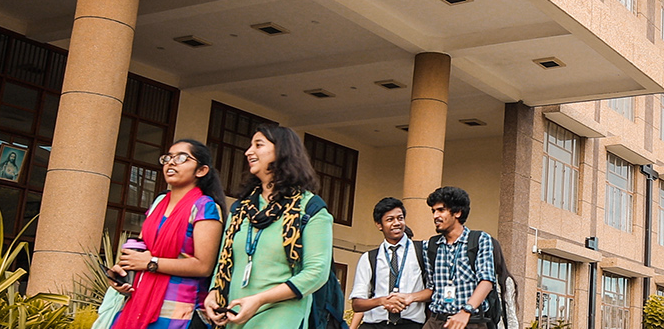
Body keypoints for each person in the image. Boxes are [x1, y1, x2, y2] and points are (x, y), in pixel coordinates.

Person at [202, 125, 334, 328]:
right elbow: (224, 262)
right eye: (249, 146)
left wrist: (259, 300)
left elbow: (316, 273)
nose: (248, 152)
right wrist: (213, 293)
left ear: (282, 151)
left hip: (282, 315)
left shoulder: (310, 208)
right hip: (236, 314)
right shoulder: (241, 209)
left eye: (258, 145)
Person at [107, 139, 227, 329]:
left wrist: (150, 263)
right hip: (138, 302)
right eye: (168, 158)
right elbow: (143, 249)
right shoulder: (158, 203)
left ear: (201, 170)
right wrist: (122, 273)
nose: (171, 163)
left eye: (182, 158)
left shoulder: (205, 207)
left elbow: (203, 266)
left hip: (179, 311)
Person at [349, 198, 431, 329]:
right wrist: (382, 301)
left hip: (410, 325)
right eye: (390, 219)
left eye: (400, 218)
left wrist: (411, 297)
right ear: (379, 225)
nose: (396, 223)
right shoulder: (369, 258)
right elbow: (357, 304)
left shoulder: (423, 251)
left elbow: (435, 290)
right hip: (375, 325)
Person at [422, 187, 496, 329]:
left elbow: (486, 281)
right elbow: (431, 288)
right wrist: (408, 297)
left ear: (457, 212)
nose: (435, 216)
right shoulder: (430, 246)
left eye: (441, 210)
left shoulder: (479, 239)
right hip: (437, 321)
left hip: (470, 321)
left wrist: (466, 311)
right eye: (433, 211)